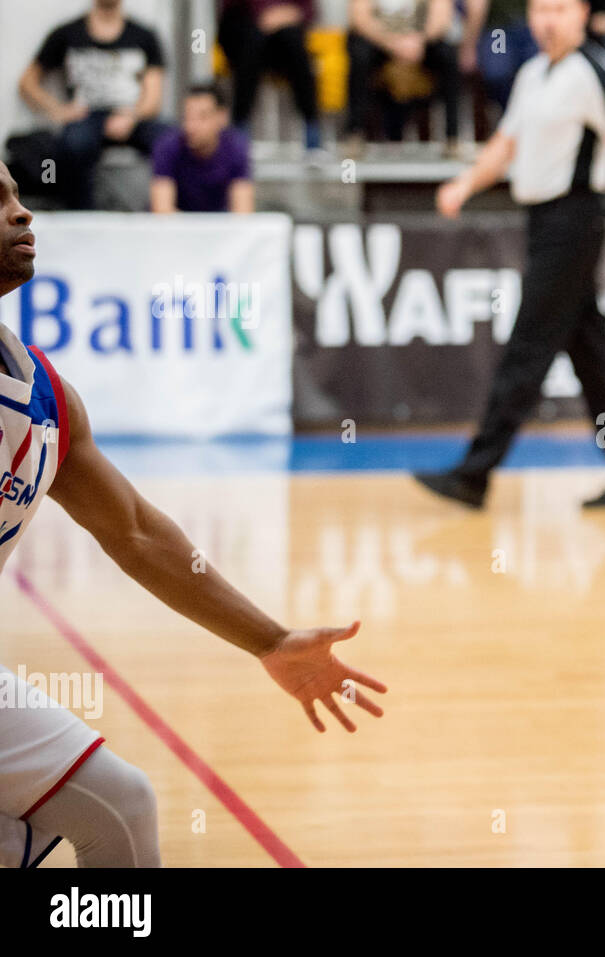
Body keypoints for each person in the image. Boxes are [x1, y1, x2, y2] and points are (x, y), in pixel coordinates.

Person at [0, 162, 386, 869]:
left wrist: (270, 640)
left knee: (121, 806)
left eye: (19, 197)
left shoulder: (45, 394)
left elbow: (136, 532)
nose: (22, 214)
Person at [415, 0, 605, 510]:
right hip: (542, 222)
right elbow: (506, 142)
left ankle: (475, 473)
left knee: (528, 346)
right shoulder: (533, 73)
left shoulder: (595, 71)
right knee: (593, 357)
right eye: (540, 9)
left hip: (576, 220)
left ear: (582, 14)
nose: (548, 20)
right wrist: (465, 183)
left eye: (559, 8)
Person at [17, 0, 168, 210]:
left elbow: (153, 99)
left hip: (130, 113)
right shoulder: (67, 33)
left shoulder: (144, 36)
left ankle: (167, 213)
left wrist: (132, 116)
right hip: (87, 115)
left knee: (170, 141)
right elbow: (27, 83)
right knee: (73, 146)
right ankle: (79, 215)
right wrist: (59, 111)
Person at [344, 0, 464, 148]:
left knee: (448, 55)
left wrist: (419, 40)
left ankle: (452, 137)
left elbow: (441, 18)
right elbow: (360, 19)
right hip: (380, 44)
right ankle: (354, 133)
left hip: (420, 43)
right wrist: (393, 43)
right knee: (359, 54)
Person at [217, 0, 323, 152]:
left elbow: (308, 10)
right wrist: (263, 14)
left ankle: (312, 135)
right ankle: (240, 134)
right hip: (242, 32)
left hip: (280, 36)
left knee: (295, 45)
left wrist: (283, 15)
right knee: (251, 45)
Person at [150, 85, 255, 214]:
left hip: (220, 223)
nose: (191, 126)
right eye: (187, 117)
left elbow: (243, 211)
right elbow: (162, 210)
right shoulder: (168, 146)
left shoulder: (236, 147)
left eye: (202, 117)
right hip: (176, 229)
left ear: (222, 117)